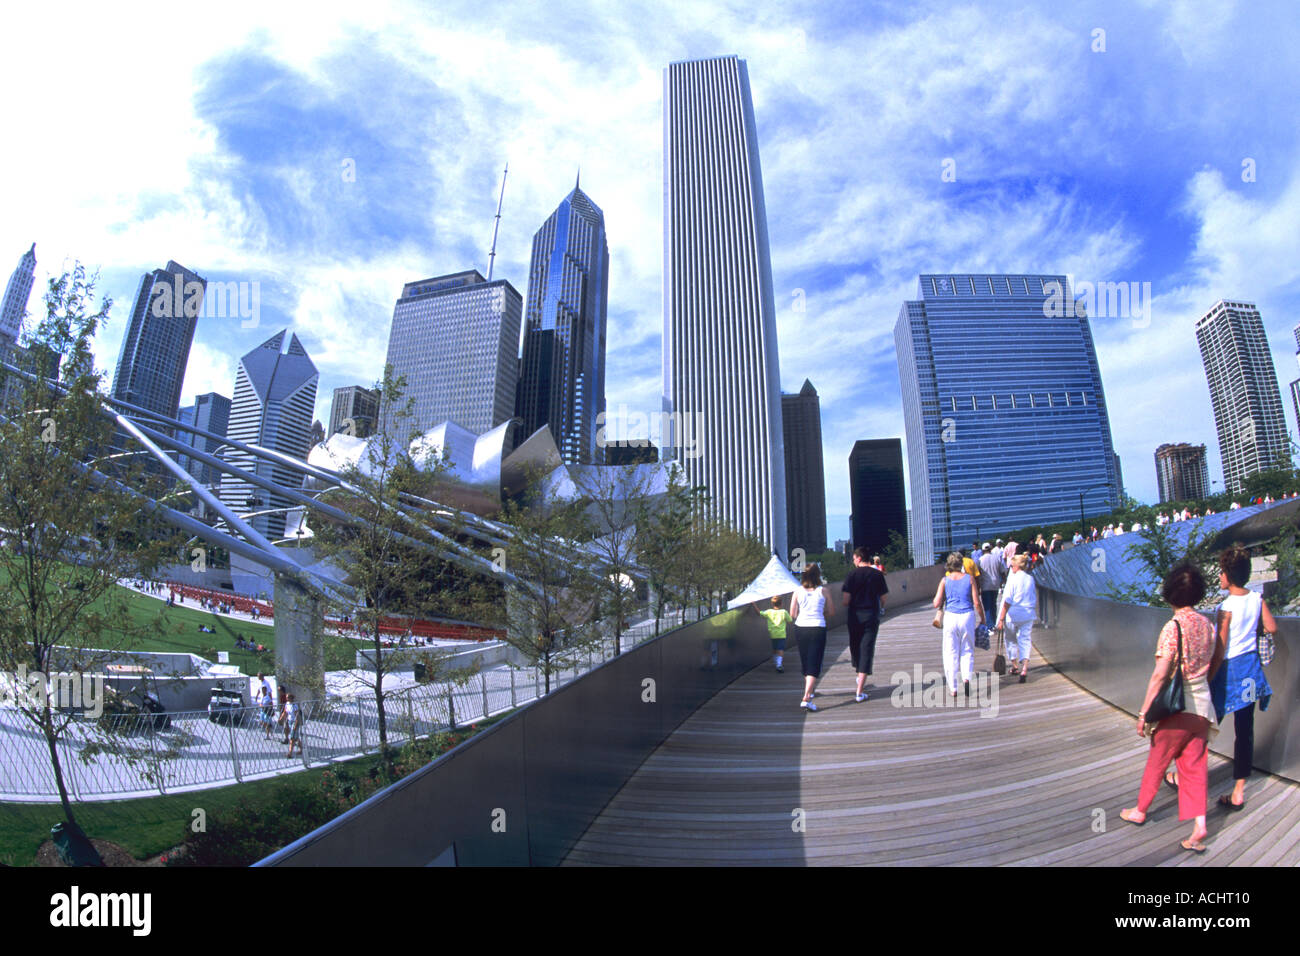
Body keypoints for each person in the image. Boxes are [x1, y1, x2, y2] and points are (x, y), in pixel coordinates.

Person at [1120, 564, 1223, 852]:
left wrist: (1144, 713)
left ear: (1169, 594)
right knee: (1195, 767)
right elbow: (1216, 660)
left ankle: (1140, 810)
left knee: (1158, 760)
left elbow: (1160, 674)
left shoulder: (1172, 627)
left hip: (1176, 711)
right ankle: (1200, 825)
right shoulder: (1207, 625)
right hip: (1202, 707)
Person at [1209, 546, 1275, 811]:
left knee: (1208, 723)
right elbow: (1272, 627)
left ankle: (1185, 777)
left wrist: (1208, 677)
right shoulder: (1256, 599)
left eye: (1221, 572)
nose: (1219, 577)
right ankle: (1238, 791)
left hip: (1229, 672)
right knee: (1244, 731)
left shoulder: (1225, 608)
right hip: (1250, 670)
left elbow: (1220, 649)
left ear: (1227, 574)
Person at [933, 553, 983, 697]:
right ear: (961, 564)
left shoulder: (945, 580)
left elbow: (936, 603)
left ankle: (953, 688)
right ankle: (966, 678)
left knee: (950, 652)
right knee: (967, 649)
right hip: (967, 616)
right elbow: (977, 602)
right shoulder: (969, 579)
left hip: (950, 617)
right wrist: (983, 619)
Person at [842, 547, 888, 701]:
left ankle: (859, 684)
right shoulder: (877, 575)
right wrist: (880, 607)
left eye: (854, 558)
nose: (853, 561)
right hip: (871, 615)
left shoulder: (851, 575)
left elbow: (846, 600)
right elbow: (883, 598)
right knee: (867, 648)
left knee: (855, 646)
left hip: (854, 616)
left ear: (859, 558)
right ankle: (860, 686)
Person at [790, 564, 836, 711]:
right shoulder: (824, 591)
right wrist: (821, 615)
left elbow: (792, 614)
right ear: (818, 575)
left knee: (806, 661)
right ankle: (806, 697)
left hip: (801, 628)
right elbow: (832, 611)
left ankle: (809, 693)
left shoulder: (797, 592)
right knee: (815, 662)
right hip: (817, 627)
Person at [996, 553, 1037, 681]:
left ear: (1017, 566)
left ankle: (1014, 666)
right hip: (1028, 613)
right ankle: (1024, 668)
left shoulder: (1012, 579)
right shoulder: (1030, 579)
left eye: (1012, 565)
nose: (1010, 567)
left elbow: (1007, 600)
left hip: (1013, 614)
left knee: (1011, 640)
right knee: (1025, 640)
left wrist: (1001, 619)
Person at [760, 595, 793, 673]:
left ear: (772, 604)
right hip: (781, 634)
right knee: (780, 649)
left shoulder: (769, 612)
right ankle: (779, 664)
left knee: (775, 649)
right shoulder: (784, 612)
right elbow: (790, 620)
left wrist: (754, 605)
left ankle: (776, 662)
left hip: (772, 633)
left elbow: (760, 613)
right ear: (781, 604)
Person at [977, 543, 1005, 626]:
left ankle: (990, 625)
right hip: (995, 585)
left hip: (985, 586)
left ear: (983, 550)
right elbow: (1002, 572)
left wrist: (978, 587)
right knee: (993, 605)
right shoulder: (997, 559)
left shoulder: (980, 560)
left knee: (987, 607)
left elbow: (978, 575)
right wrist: (1003, 582)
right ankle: (994, 622)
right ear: (990, 549)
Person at [285, 693, 303, 758]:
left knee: (292, 738)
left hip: (294, 722)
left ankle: (290, 753)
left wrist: (295, 725)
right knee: (296, 737)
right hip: (290, 721)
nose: (286, 698)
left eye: (287, 697)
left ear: (291, 698)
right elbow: (286, 712)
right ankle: (301, 749)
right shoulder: (287, 704)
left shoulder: (294, 706)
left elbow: (297, 716)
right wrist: (284, 720)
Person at [256, 673, 274, 738]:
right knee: (262, 721)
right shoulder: (260, 683)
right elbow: (259, 690)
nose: (258, 677)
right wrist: (257, 696)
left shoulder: (266, 683)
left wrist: (271, 703)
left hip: (266, 706)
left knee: (266, 720)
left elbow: (270, 692)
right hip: (262, 703)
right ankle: (269, 726)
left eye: (259, 676)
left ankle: (268, 733)